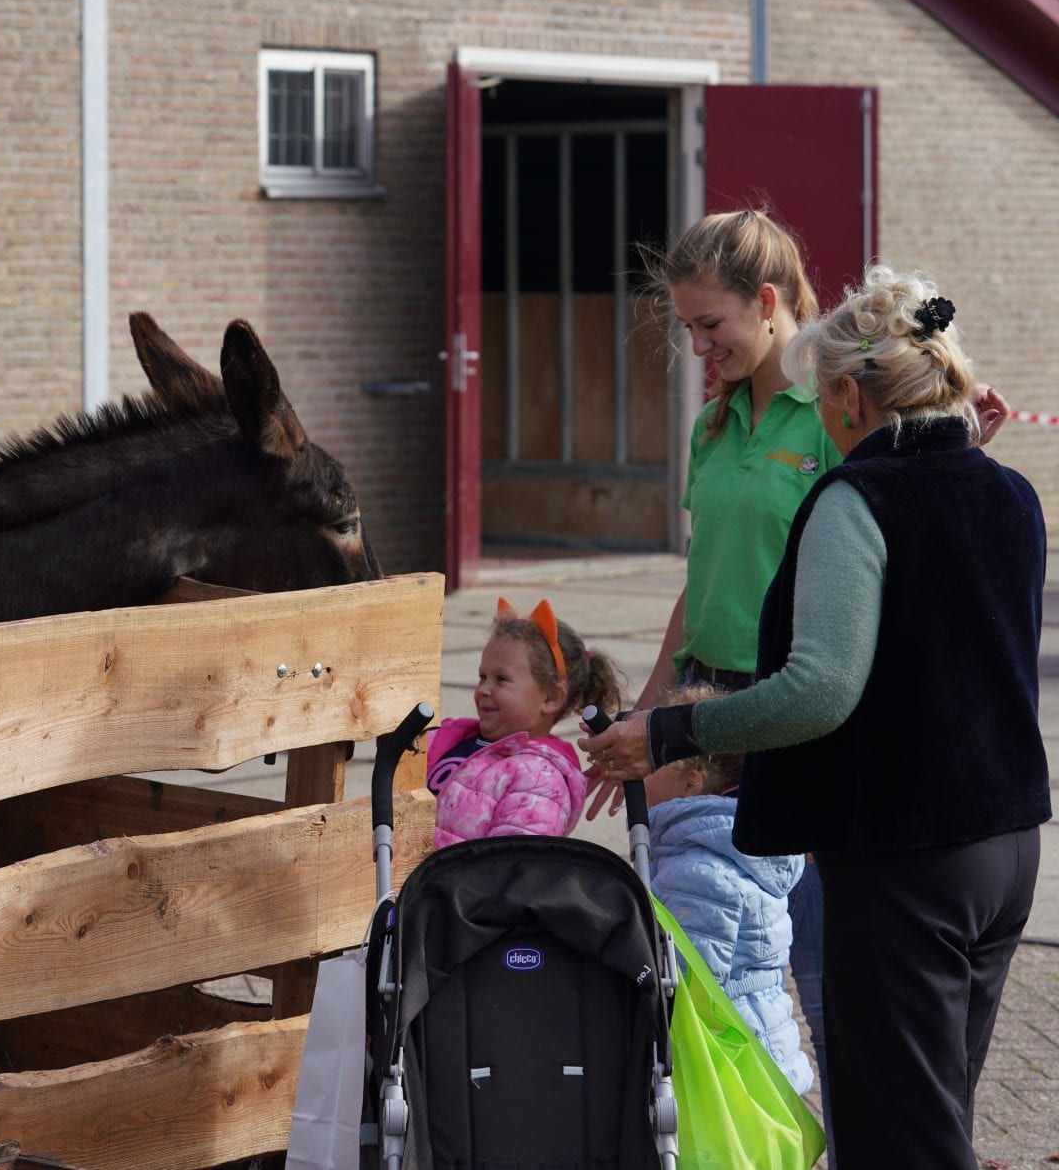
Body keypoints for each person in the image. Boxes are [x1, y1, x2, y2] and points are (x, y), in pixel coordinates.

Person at [580, 264, 1048, 1169]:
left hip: (907, 856)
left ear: (845, 395)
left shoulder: (857, 501)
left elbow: (819, 688)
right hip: (1007, 845)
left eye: (822, 398)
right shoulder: (1010, 493)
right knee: (938, 1117)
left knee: (895, 1143)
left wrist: (671, 733)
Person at [645, 681, 812, 1095]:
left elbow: (690, 983)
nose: (639, 773)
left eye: (652, 763)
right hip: (752, 1040)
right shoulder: (716, 847)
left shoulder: (701, 867)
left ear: (692, 781)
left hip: (731, 1060)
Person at [428, 597, 624, 848]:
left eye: (501, 679)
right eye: (482, 676)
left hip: (456, 886)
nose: (484, 689)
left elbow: (512, 866)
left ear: (551, 697)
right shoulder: (457, 737)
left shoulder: (540, 781)